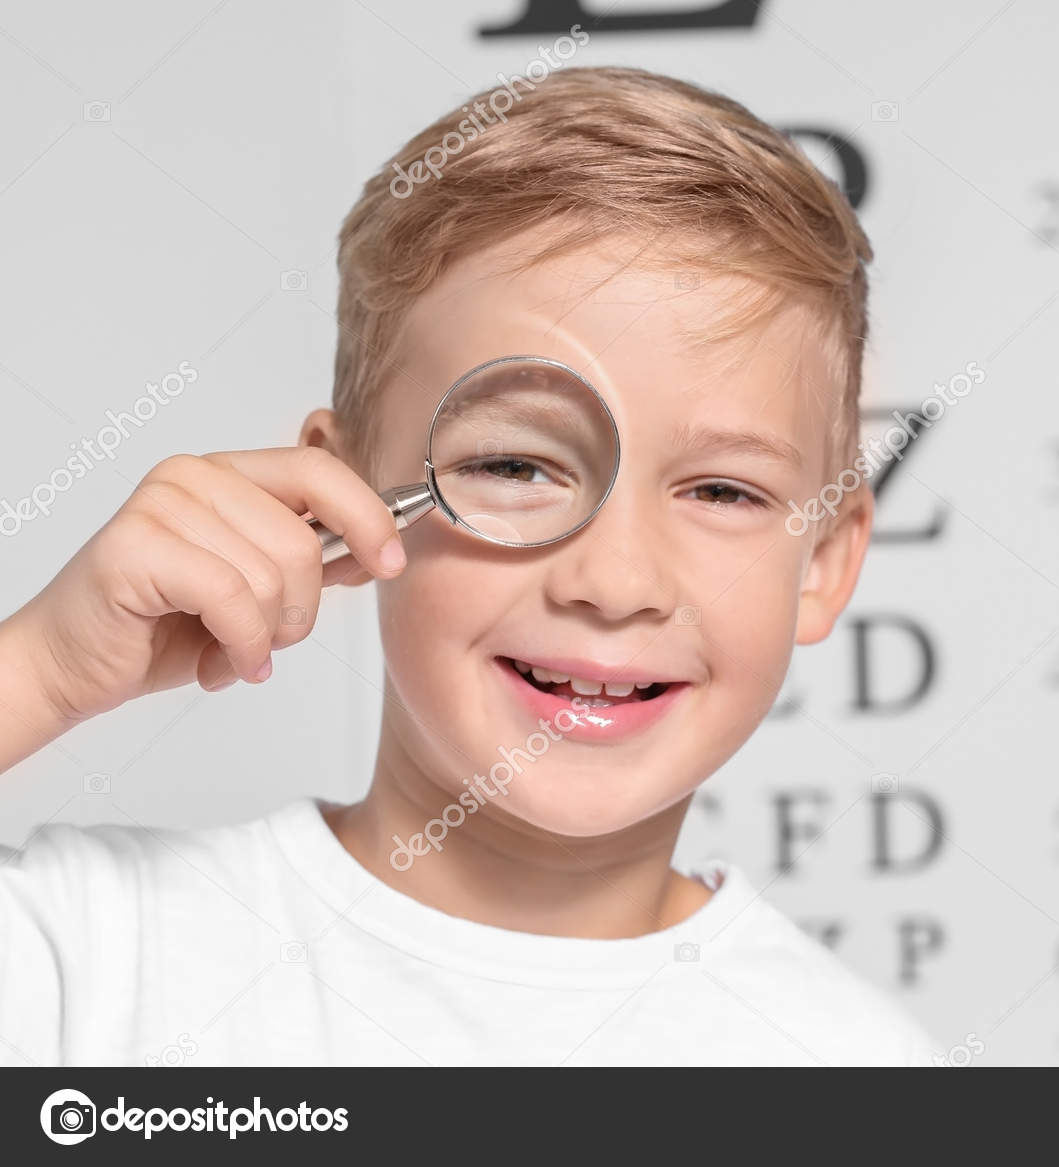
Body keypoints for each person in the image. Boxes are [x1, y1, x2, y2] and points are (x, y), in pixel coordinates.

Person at [0, 64, 938, 1066]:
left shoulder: (857, 1066)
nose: (614, 584)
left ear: (825, 563)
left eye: (721, 492)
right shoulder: (87, 958)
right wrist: (37, 673)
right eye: (515, 465)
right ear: (341, 499)